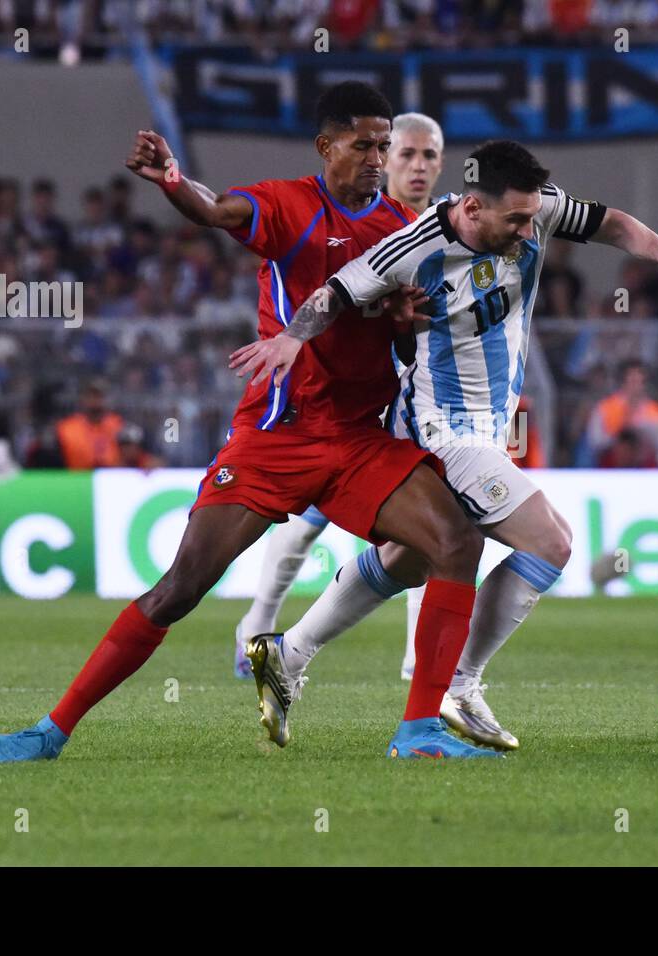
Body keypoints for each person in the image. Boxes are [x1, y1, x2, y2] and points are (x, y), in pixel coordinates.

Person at [0, 81, 498, 763]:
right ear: (326, 146)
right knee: (178, 590)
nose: (377, 158)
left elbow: (402, 344)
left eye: (383, 146)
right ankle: (52, 729)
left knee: (455, 540)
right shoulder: (288, 204)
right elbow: (218, 210)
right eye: (364, 145)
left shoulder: (402, 234)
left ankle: (418, 731)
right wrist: (172, 182)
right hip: (277, 436)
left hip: (356, 438)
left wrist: (405, 326)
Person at [229, 139, 658, 750]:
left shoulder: (535, 210)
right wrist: (293, 339)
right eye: (513, 219)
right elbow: (336, 292)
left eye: (531, 215)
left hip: (487, 429)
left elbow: (609, 222)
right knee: (551, 541)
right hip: (435, 427)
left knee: (411, 560)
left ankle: (288, 653)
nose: (527, 228)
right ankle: (460, 683)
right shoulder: (416, 246)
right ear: (474, 208)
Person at [233, 111, 447, 683]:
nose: (416, 166)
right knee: (305, 524)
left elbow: (418, 336)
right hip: (334, 406)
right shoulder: (361, 217)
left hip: (410, 399)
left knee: (435, 526)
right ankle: (260, 621)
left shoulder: (442, 227)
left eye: (430, 156)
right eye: (406, 154)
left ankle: (416, 662)